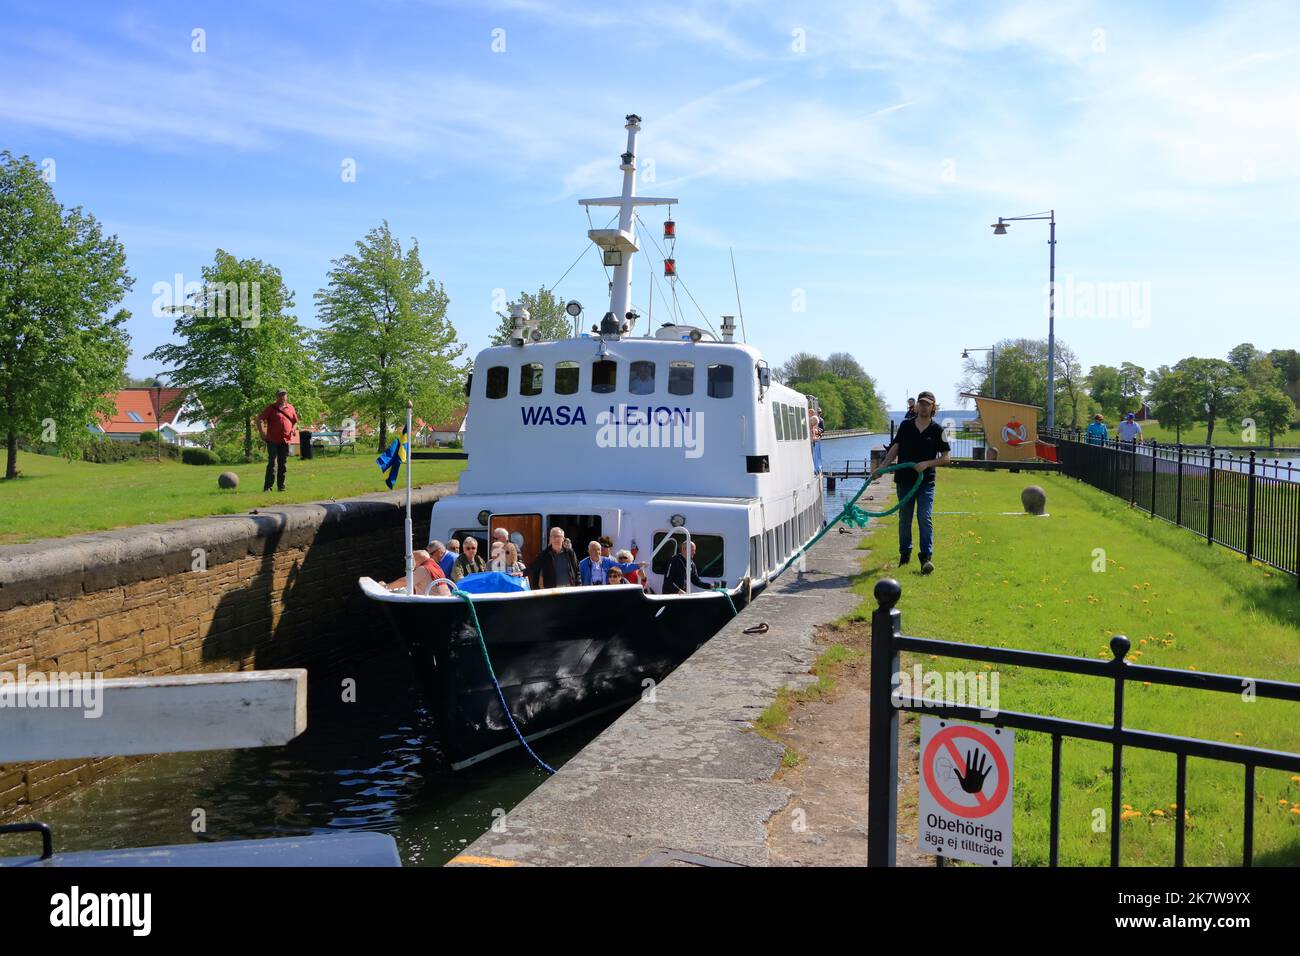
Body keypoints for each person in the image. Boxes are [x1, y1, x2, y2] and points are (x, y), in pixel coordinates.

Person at [871, 390, 950, 575]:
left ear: (933, 407)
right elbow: (894, 449)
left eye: (927, 404)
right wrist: (882, 468)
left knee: (924, 517)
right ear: (916, 406)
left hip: (926, 482)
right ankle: (905, 556)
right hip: (904, 480)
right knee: (904, 519)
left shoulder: (938, 430)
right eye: (921, 403)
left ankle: (926, 558)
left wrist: (927, 464)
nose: (923, 407)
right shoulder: (906, 426)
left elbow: (946, 458)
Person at [256, 388, 299, 492]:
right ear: (277, 397)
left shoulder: (291, 408)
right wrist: (262, 433)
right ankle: (268, 487)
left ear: (286, 396)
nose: (282, 397)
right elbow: (259, 419)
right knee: (272, 463)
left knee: (283, 464)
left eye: (284, 395)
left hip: (285, 440)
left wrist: (293, 429)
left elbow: (295, 421)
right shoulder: (271, 408)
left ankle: (281, 487)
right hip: (272, 440)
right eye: (280, 395)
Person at [380, 550, 451, 596]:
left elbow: (405, 581)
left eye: (413, 560)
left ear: (418, 559)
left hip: (432, 603)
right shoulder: (437, 566)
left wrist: (386, 586)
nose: (411, 563)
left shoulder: (423, 569)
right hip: (443, 600)